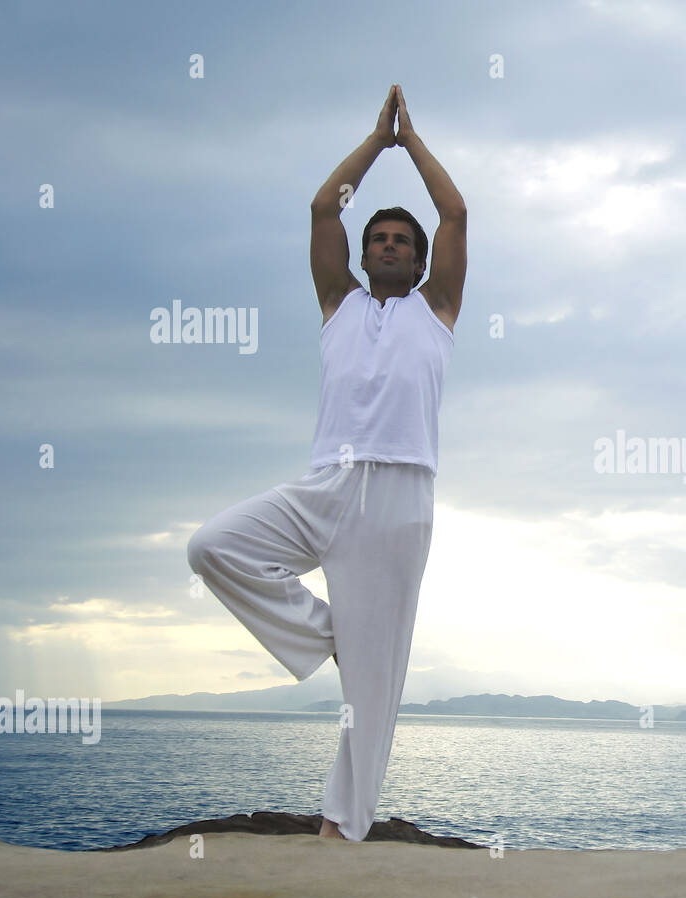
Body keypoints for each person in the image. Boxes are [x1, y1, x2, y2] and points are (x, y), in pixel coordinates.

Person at [186, 85, 466, 842]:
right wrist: (377, 143)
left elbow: (456, 216)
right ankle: (325, 636)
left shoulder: (436, 310)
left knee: (373, 693)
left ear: (420, 261)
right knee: (211, 546)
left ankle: (342, 828)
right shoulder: (338, 303)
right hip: (327, 484)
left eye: (402, 241)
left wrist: (417, 143)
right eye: (378, 237)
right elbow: (321, 210)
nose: (388, 245)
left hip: (401, 495)